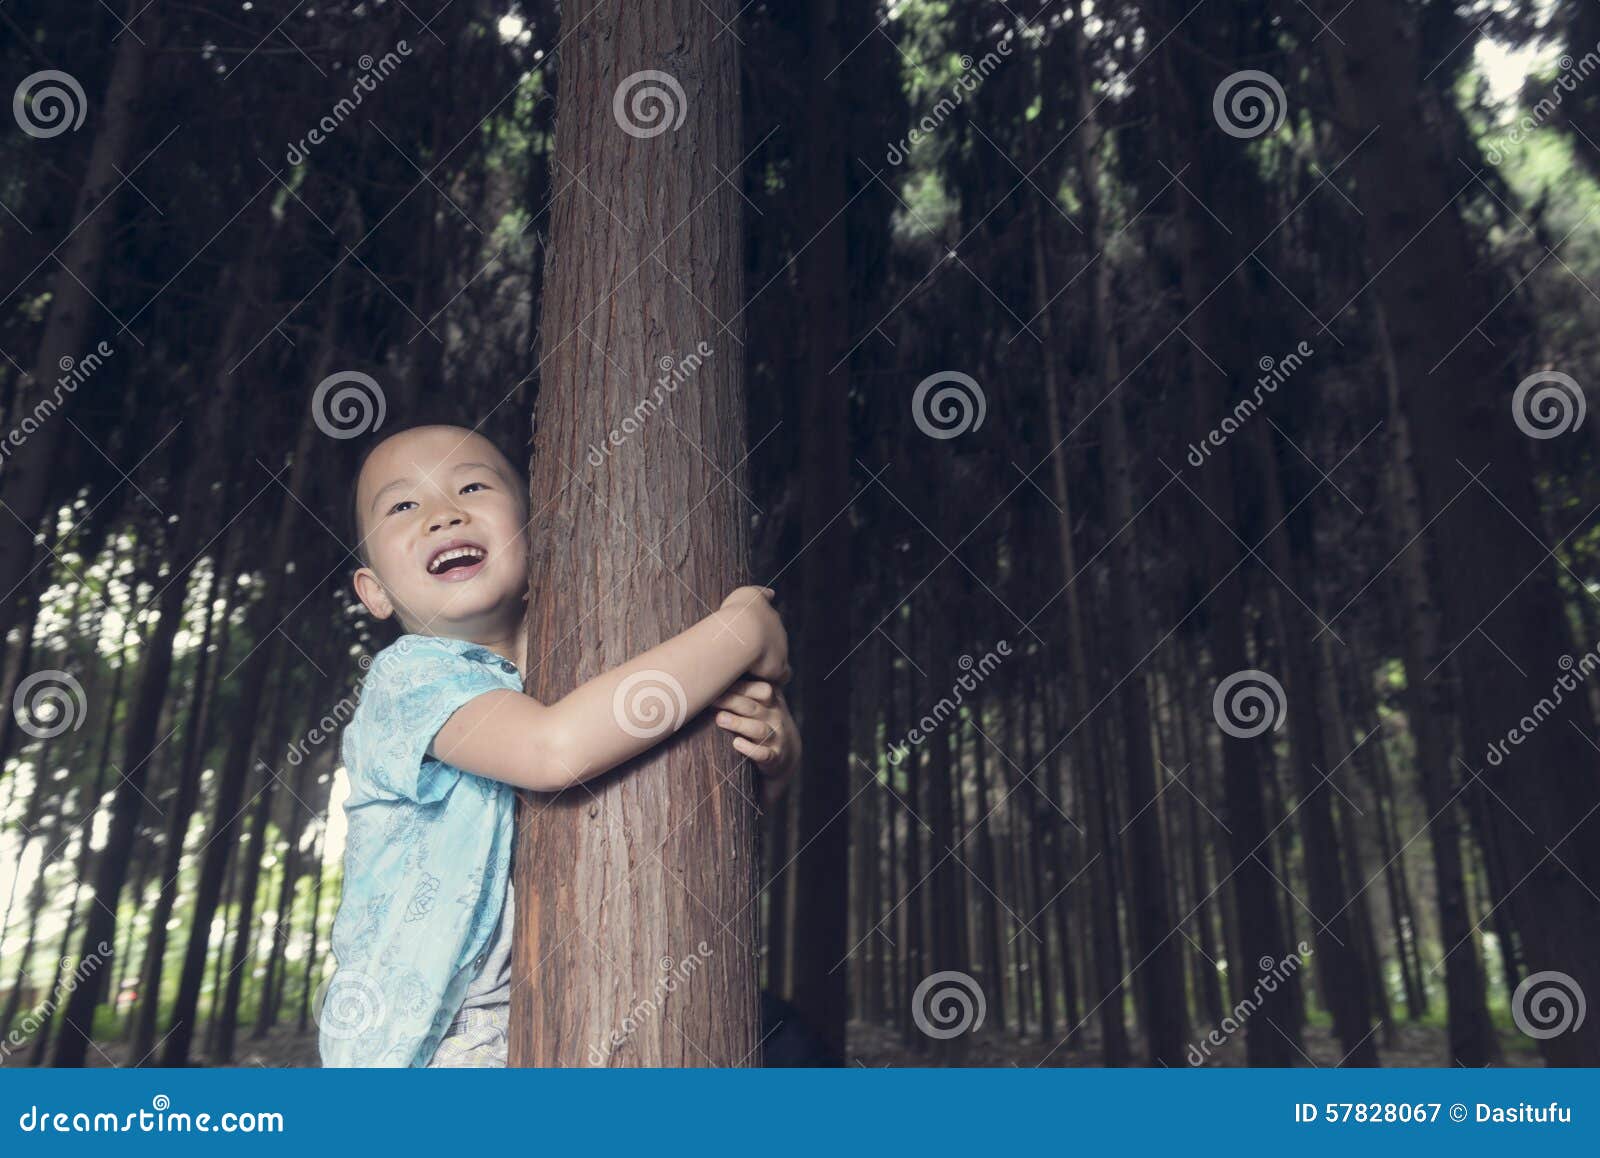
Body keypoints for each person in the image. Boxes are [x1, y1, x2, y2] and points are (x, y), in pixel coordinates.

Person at [319, 423, 798, 1067]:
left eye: (472, 486)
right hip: (424, 1050)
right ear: (374, 591)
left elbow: (704, 809)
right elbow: (552, 752)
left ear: (537, 532)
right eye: (404, 505)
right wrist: (740, 635)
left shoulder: (559, 680)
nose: (443, 514)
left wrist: (776, 754)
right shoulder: (409, 679)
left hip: (530, 1019)